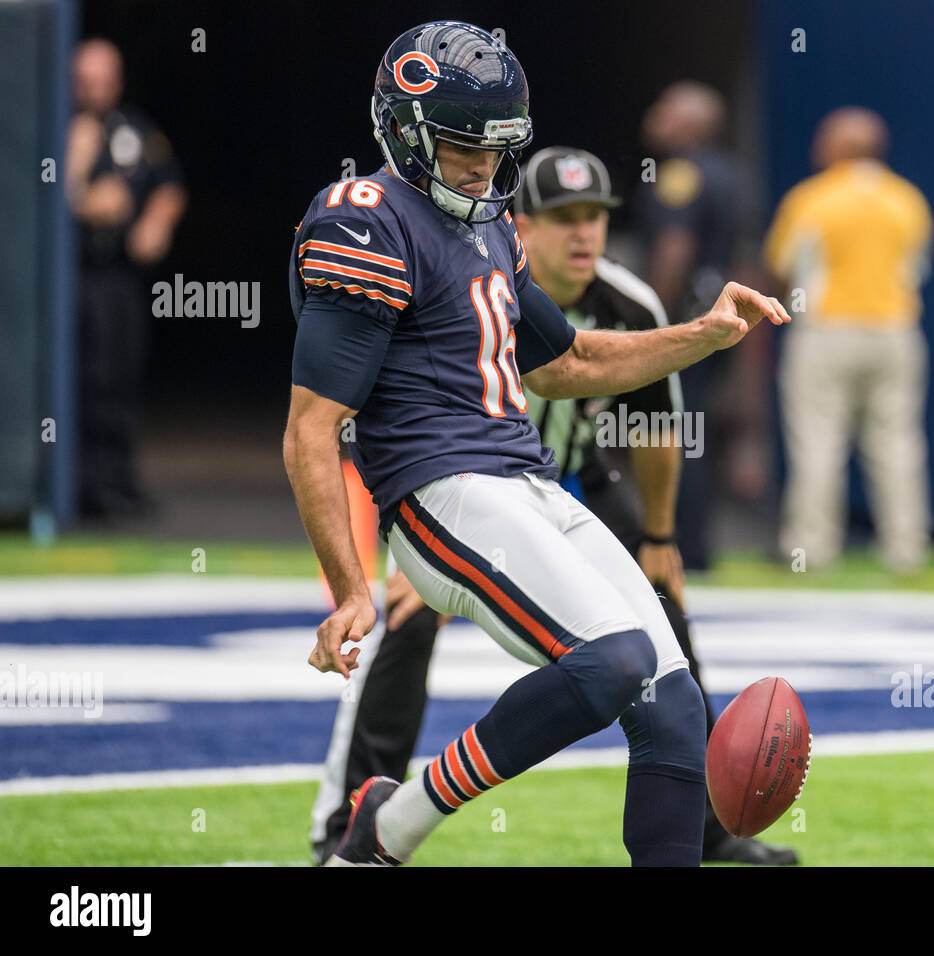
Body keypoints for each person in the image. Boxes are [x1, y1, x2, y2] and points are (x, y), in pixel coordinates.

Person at [284, 21, 789, 867]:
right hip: (440, 492)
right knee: (612, 659)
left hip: (530, 484)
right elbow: (310, 426)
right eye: (461, 145)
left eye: (495, 147)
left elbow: (566, 363)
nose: (483, 167)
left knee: (674, 705)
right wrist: (347, 589)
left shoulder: (491, 228)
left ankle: (386, 820)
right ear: (404, 130)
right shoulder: (363, 220)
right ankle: (393, 825)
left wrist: (705, 333)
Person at [764, 107, 934, 573]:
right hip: (896, 331)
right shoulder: (907, 200)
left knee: (818, 441)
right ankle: (907, 550)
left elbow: (781, 266)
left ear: (838, 147)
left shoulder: (813, 199)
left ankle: (811, 549)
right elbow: (917, 266)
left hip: (826, 330)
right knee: (898, 441)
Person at [66, 38, 186, 519]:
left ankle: (119, 481)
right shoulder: (59, 127)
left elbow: (169, 184)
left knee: (121, 374)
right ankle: (80, 488)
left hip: (120, 279)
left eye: (104, 79)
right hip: (71, 280)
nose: (96, 90)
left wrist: (155, 220)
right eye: (86, 80)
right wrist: (81, 193)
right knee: (83, 381)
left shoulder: (132, 130)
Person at [638, 81, 753, 570]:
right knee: (694, 427)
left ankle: (674, 542)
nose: (656, 115)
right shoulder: (732, 174)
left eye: (667, 108)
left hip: (687, 316)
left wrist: (649, 320)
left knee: (663, 426)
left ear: (692, 124)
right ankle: (697, 544)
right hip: (722, 315)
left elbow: (674, 249)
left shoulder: (681, 175)